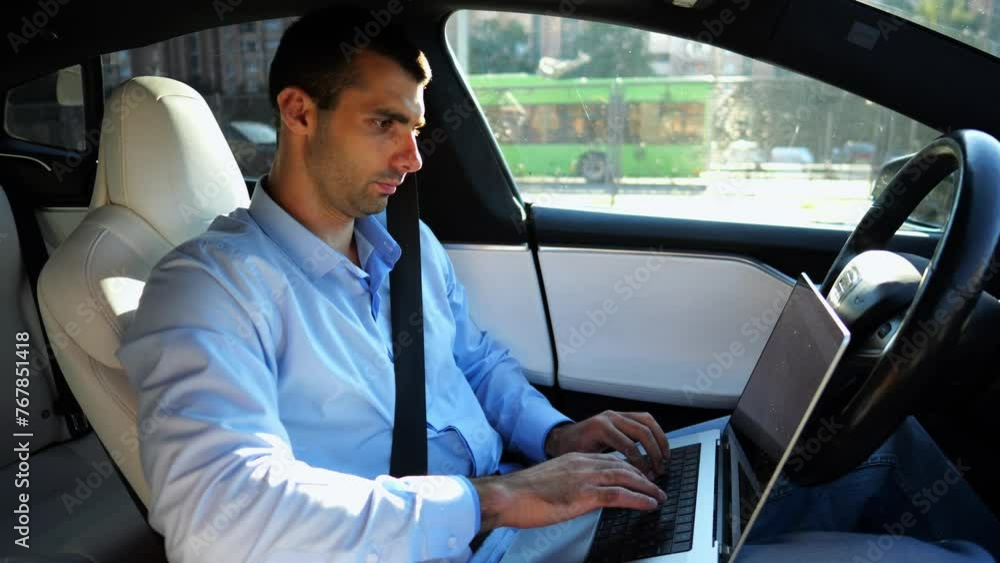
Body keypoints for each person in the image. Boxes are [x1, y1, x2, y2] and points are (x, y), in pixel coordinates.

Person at [117, 6, 1000, 563]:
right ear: (298, 112)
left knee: (891, 452)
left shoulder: (402, 244)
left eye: (417, 127)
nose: (413, 157)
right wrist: (493, 500)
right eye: (385, 123)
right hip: (458, 543)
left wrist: (555, 431)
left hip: (521, 509)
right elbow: (216, 516)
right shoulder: (206, 290)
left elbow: (478, 361)